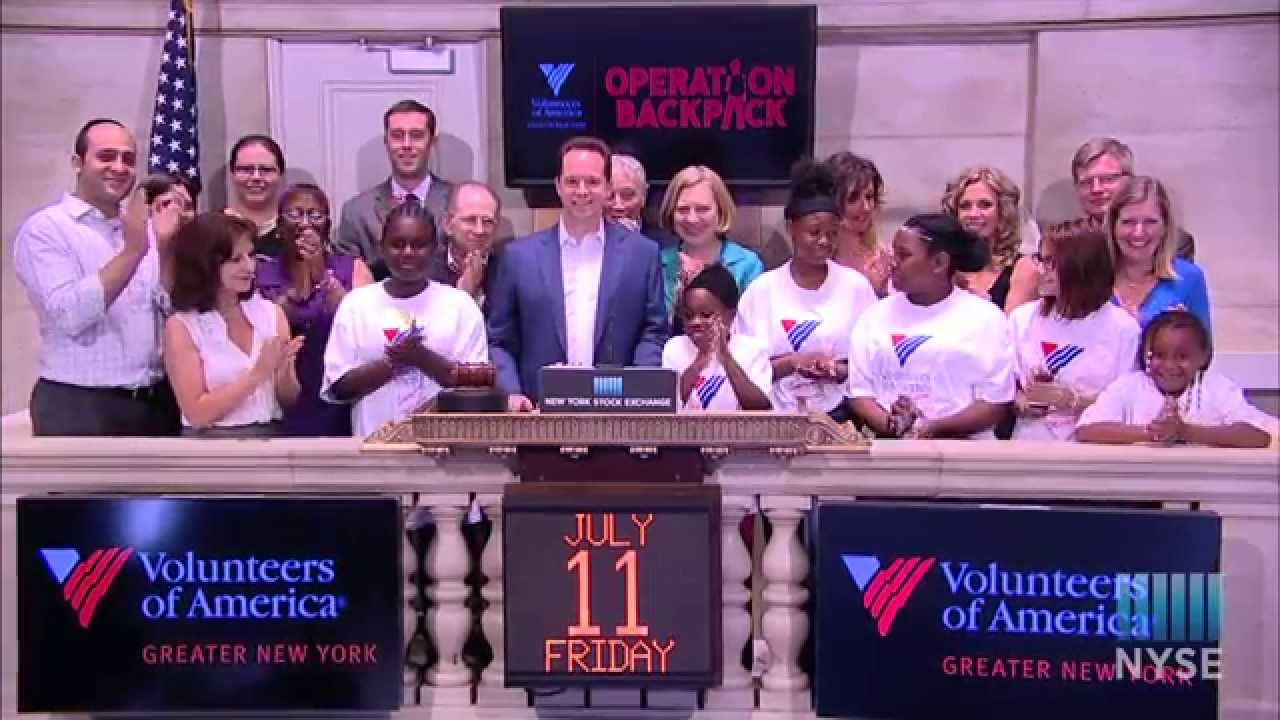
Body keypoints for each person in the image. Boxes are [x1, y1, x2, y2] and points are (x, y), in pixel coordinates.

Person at [13, 118, 183, 436]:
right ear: (78, 163)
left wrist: (166, 248)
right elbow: (70, 314)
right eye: (106, 156)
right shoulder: (46, 229)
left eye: (128, 159)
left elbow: (166, 309)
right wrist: (132, 253)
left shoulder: (141, 228)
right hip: (79, 405)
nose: (119, 167)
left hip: (154, 401)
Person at [486, 136, 668, 409]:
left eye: (593, 182)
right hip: (537, 414)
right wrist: (510, 392)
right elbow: (498, 339)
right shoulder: (518, 257)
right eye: (572, 181)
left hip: (618, 413)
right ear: (558, 186)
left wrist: (638, 388)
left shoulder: (642, 254)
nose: (582, 191)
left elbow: (653, 331)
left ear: (607, 187)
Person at [323, 203, 487, 437]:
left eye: (418, 245)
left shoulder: (461, 306)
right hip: (374, 449)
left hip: (444, 452)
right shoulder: (356, 305)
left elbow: (477, 386)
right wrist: (391, 363)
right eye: (398, 244)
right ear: (382, 248)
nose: (408, 252)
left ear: (434, 248)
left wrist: (422, 358)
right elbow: (338, 388)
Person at [846, 213, 1015, 439]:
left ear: (939, 263)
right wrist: (894, 424)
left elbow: (995, 403)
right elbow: (860, 393)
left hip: (965, 453)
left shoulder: (986, 319)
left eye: (903, 255)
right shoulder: (873, 317)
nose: (892, 263)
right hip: (891, 452)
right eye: (893, 253)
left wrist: (933, 427)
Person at [735, 161, 877, 417]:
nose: (824, 242)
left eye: (832, 234)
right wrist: (793, 363)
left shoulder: (856, 288)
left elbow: (872, 365)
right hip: (774, 416)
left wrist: (834, 369)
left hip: (840, 416)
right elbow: (745, 373)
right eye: (814, 233)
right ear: (791, 228)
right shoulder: (761, 292)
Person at [164, 213, 302, 436]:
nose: (249, 267)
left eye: (251, 255)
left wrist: (285, 371)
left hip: (271, 438)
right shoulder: (182, 327)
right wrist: (257, 375)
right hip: (211, 448)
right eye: (236, 260)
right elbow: (197, 414)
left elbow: (289, 400)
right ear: (205, 264)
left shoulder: (270, 313)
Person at [256, 184, 374, 436]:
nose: (305, 224)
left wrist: (321, 274)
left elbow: (367, 328)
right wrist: (292, 297)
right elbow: (253, 333)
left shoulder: (353, 268)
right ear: (278, 225)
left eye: (315, 215)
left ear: (328, 226)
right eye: (295, 214)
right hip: (277, 393)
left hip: (339, 394)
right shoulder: (259, 272)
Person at [1008, 218, 1141, 440]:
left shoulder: (1123, 329)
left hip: (1091, 448)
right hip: (1030, 442)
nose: (1041, 270)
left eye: (1051, 262)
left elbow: (1130, 402)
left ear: (1081, 266)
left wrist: (1072, 400)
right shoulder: (1021, 319)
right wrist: (1021, 402)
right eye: (1041, 260)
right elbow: (1004, 389)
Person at [1077, 310, 1273, 447]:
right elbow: (1087, 430)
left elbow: (1257, 436)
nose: (1169, 365)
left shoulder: (1217, 388)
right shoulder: (1129, 386)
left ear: (1203, 357)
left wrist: (1184, 432)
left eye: (1182, 357)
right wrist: (1155, 432)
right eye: (1159, 355)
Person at [336, 99, 453, 280]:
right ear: (386, 141)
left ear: (432, 141)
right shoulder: (356, 212)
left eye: (416, 135)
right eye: (397, 135)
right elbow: (348, 279)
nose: (407, 145)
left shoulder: (457, 203)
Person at [658, 165, 763, 322]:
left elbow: (753, 329)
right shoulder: (657, 263)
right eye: (683, 209)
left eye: (702, 209)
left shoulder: (748, 265)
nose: (692, 219)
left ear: (720, 212)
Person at [1106, 176, 1211, 331]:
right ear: (1113, 227)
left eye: (1150, 222)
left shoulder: (1190, 278)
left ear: (1165, 227)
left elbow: (1203, 352)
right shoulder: (1092, 279)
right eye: (1128, 222)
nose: (1138, 233)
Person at [662, 265, 771, 412]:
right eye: (689, 316)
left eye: (706, 315)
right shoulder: (674, 348)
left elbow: (760, 408)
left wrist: (726, 358)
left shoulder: (752, 350)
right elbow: (667, 405)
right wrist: (700, 360)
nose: (696, 322)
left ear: (730, 316)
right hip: (686, 434)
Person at [1071, 137, 1194, 260]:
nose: (1096, 189)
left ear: (1130, 181)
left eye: (1107, 179)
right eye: (1086, 182)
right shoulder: (1067, 244)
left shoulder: (1172, 243)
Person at [941, 166, 1039, 311]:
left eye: (985, 205)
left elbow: (1011, 330)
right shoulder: (942, 267)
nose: (973, 214)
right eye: (965, 206)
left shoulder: (1023, 269)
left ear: (1003, 212)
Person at [825, 151, 891, 297]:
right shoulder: (817, 257)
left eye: (869, 197)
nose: (866, 207)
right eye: (853, 198)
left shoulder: (884, 257)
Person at [429, 181, 501, 305]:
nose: (480, 230)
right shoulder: (425, 272)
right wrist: (464, 295)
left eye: (487, 221)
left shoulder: (507, 271)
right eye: (470, 220)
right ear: (447, 224)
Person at [225, 134, 287, 257]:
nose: (256, 177)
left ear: (281, 175)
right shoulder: (211, 230)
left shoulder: (295, 231)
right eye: (246, 169)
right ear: (232, 174)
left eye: (266, 169)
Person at [606, 154, 648, 233]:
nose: (618, 206)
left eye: (627, 195)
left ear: (644, 196)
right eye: (609, 196)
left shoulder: (658, 244)